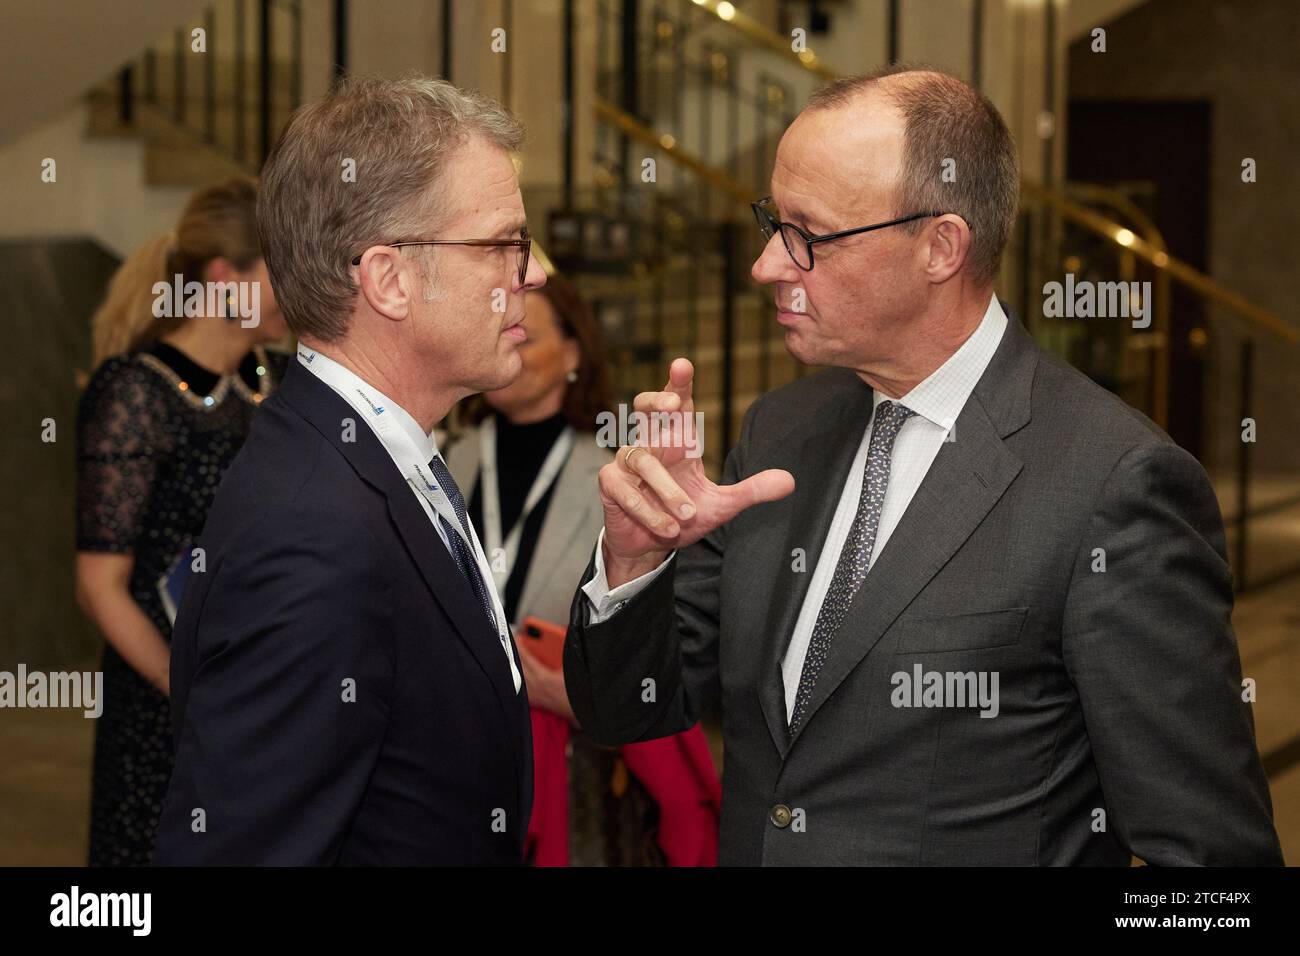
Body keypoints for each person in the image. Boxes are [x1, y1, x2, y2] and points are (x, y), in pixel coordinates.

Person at [561, 66, 1284, 865]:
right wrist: (633, 561)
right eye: (773, 220)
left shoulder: (1113, 485)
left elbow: (1217, 874)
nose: (768, 264)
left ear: (941, 247)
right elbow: (627, 711)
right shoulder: (780, 433)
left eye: (808, 234)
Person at [153, 76, 547, 865]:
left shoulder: (376, 456)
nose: (530, 273)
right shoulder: (316, 527)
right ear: (390, 280)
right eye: (502, 244)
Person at [445, 276, 721, 866]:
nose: (509, 344)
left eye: (525, 332)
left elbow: (666, 656)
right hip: (456, 757)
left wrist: (565, 691)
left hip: (576, 774)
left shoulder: (623, 480)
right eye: (500, 327)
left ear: (573, 354)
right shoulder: (447, 459)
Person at [75, 176, 289, 866]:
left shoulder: (279, 381)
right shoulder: (137, 391)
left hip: (268, 695)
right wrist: (184, 686)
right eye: (280, 267)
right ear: (226, 276)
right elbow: (100, 584)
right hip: (166, 708)